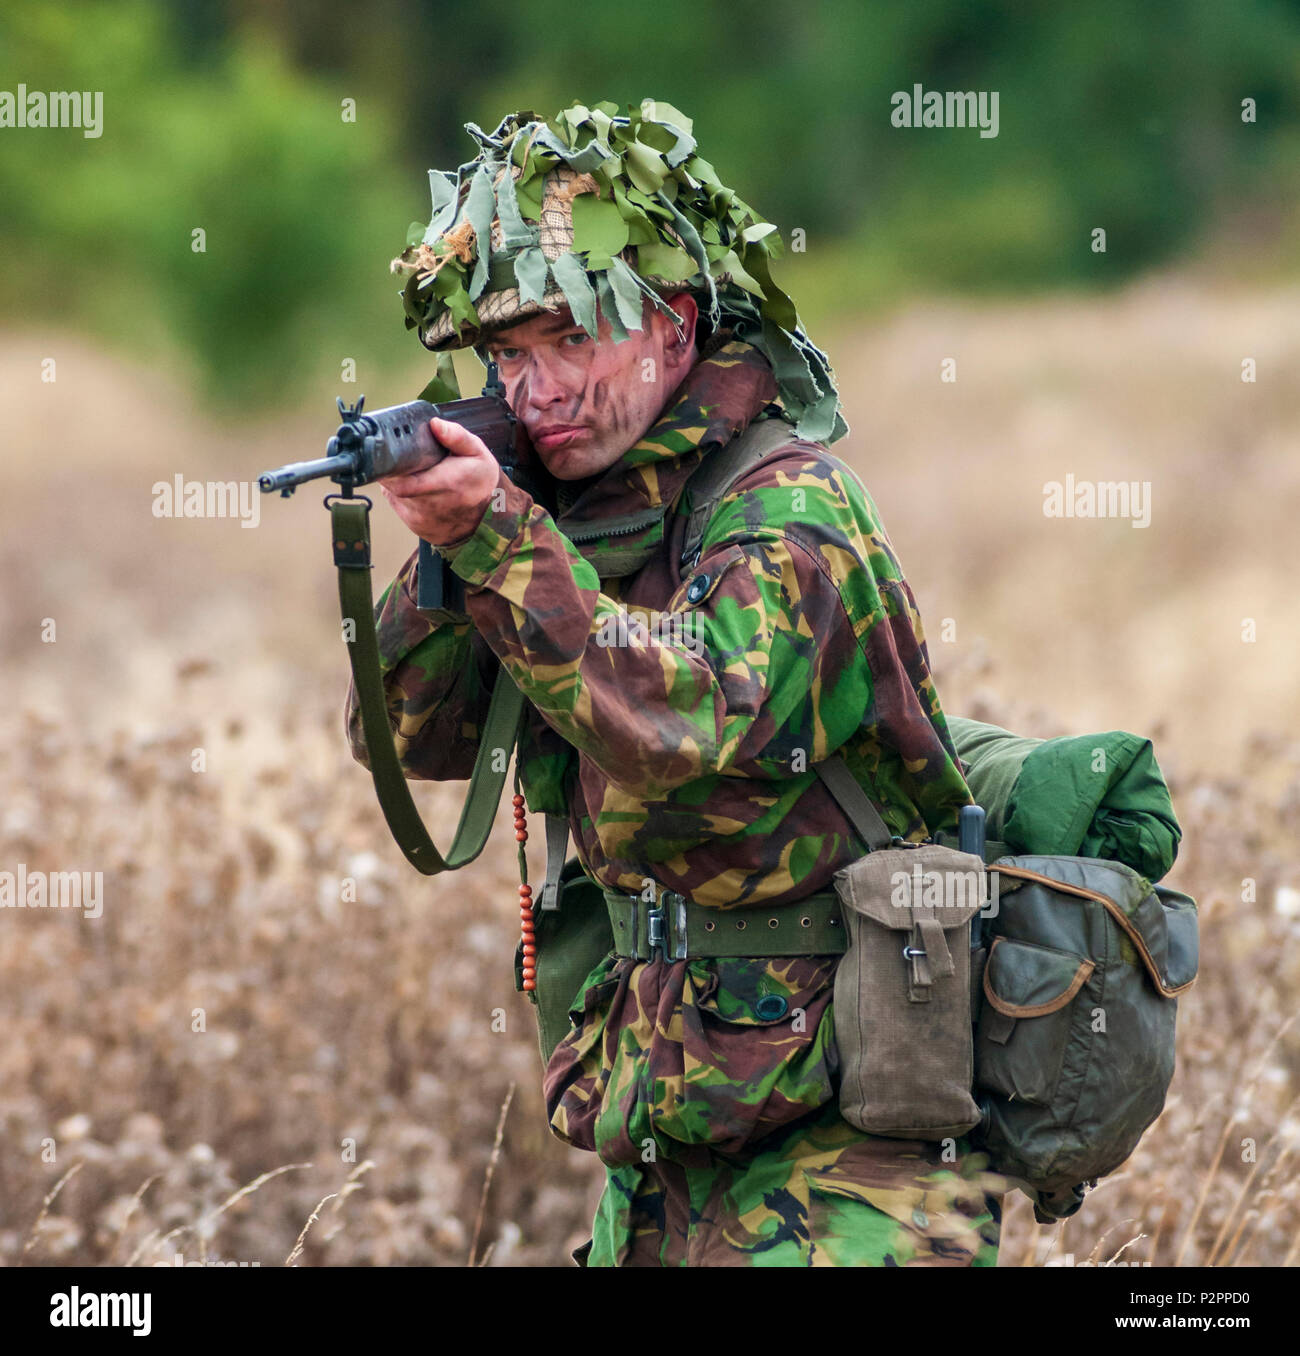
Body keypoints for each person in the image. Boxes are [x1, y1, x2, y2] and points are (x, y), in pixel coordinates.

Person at [347, 100, 1004, 1266]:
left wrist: (501, 537)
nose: (535, 390)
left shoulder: (792, 512)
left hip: (855, 1146)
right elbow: (407, 737)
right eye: (506, 357)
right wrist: (450, 548)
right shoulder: (569, 522)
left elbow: (685, 716)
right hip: (662, 1132)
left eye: (567, 344)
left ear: (672, 328)